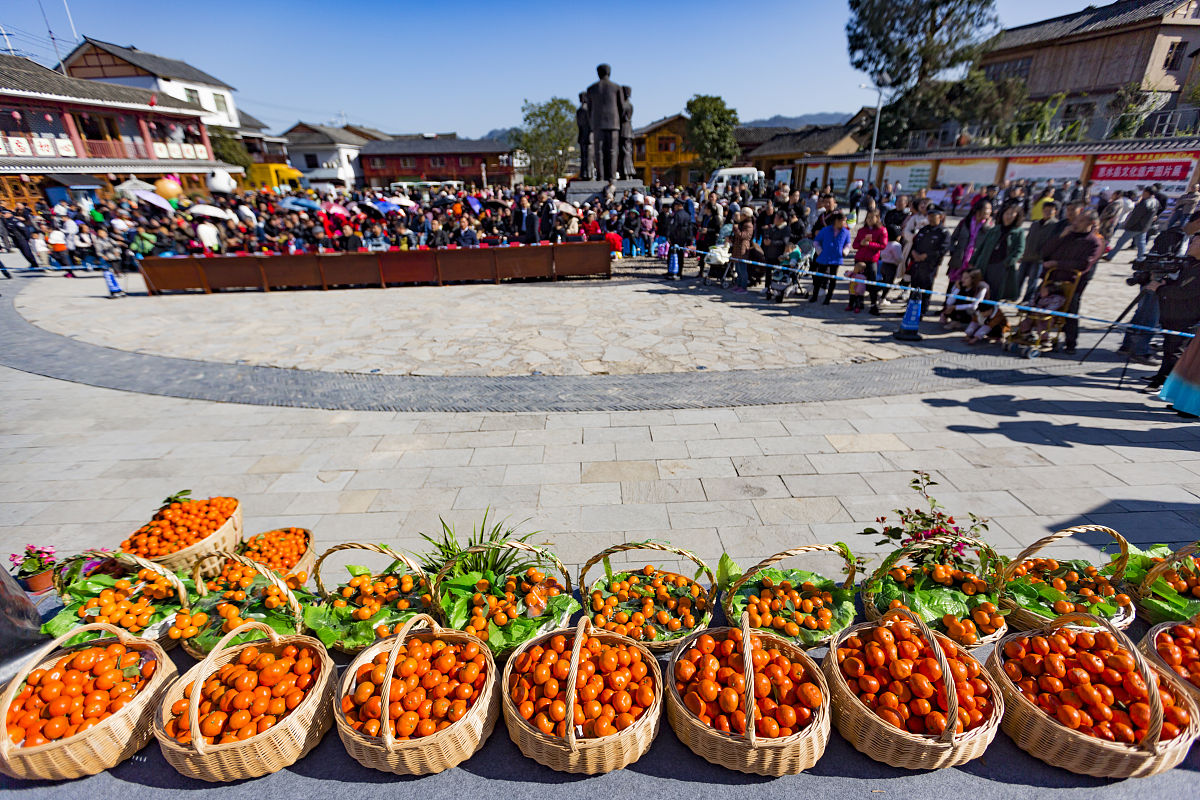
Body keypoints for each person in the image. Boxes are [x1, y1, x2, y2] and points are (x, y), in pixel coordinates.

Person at [1042, 207, 1105, 354]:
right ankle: (1039, 336)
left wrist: (1058, 264)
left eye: (1081, 220)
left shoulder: (1094, 242)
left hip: (1072, 282)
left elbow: (1084, 264)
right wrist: (1060, 237)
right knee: (1042, 305)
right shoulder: (1067, 235)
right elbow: (1045, 253)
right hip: (1052, 277)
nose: (1076, 222)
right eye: (1076, 219)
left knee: (1071, 310)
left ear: (1091, 222)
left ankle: (1071, 343)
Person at [1150, 240, 1200, 413]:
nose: (1193, 242)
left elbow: (1187, 292)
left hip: (1189, 316)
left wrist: (1160, 290)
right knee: (1192, 364)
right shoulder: (1191, 264)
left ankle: (1192, 407)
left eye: (1198, 241)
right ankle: (1185, 402)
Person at [971, 203, 1026, 302]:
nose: (1008, 216)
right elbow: (981, 247)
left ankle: (990, 313)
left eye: (1011, 214)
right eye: (1006, 213)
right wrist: (973, 261)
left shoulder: (1019, 232)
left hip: (1002, 267)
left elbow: (1020, 250)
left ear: (1017, 216)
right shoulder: (994, 229)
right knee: (981, 290)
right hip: (986, 264)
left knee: (995, 293)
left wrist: (1009, 262)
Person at [907, 206, 951, 317]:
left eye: (933, 216)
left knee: (926, 288)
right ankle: (910, 308)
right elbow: (915, 243)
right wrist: (914, 253)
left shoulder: (943, 232)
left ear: (940, 217)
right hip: (917, 263)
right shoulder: (924, 229)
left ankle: (922, 311)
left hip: (929, 265)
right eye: (929, 216)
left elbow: (943, 250)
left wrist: (926, 256)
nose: (930, 219)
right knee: (914, 287)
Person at [1019, 201, 1059, 303]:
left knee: (1032, 280)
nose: (1047, 213)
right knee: (1019, 278)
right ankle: (1014, 296)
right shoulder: (1035, 224)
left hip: (1039, 258)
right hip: (1027, 255)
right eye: (1045, 210)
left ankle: (1027, 300)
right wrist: (1022, 253)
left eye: (1050, 211)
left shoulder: (1055, 226)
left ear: (1055, 212)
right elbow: (1028, 239)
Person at [1104, 188, 1159, 261]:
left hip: (1135, 227)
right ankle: (1141, 258)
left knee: (1120, 242)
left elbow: (1136, 216)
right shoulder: (1156, 202)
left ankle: (1109, 256)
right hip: (1144, 227)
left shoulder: (1145, 203)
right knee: (1141, 244)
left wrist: (1128, 225)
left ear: (1147, 192)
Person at [851, 209, 887, 314]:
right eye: (868, 217)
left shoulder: (882, 230)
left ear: (877, 218)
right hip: (859, 259)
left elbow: (883, 245)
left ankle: (873, 304)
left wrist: (870, 244)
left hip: (871, 260)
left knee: (871, 283)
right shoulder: (862, 230)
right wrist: (861, 243)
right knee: (857, 282)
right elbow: (855, 245)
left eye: (872, 217)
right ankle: (858, 302)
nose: (870, 219)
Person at [810, 211, 851, 304]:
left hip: (836, 258)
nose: (844, 223)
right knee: (819, 277)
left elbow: (848, 244)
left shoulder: (846, 232)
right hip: (824, 257)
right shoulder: (825, 230)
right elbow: (816, 241)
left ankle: (828, 298)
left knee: (832, 279)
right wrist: (819, 251)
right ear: (837, 220)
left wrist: (845, 251)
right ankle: (814, 295)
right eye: (843, 221)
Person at [1014, 280, 1067, 346]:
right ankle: (1026, 335)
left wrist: (1041, 311)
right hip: (1034, 315)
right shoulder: (1038, 296)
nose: (1042, 292)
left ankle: (1044, 340)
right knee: (1025, 323)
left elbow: (1051, 309)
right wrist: (1025, 306)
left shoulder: (1056, 299)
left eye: (1044, 291)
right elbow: (1032, 302)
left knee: (1042, 328)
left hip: (1046, 317)